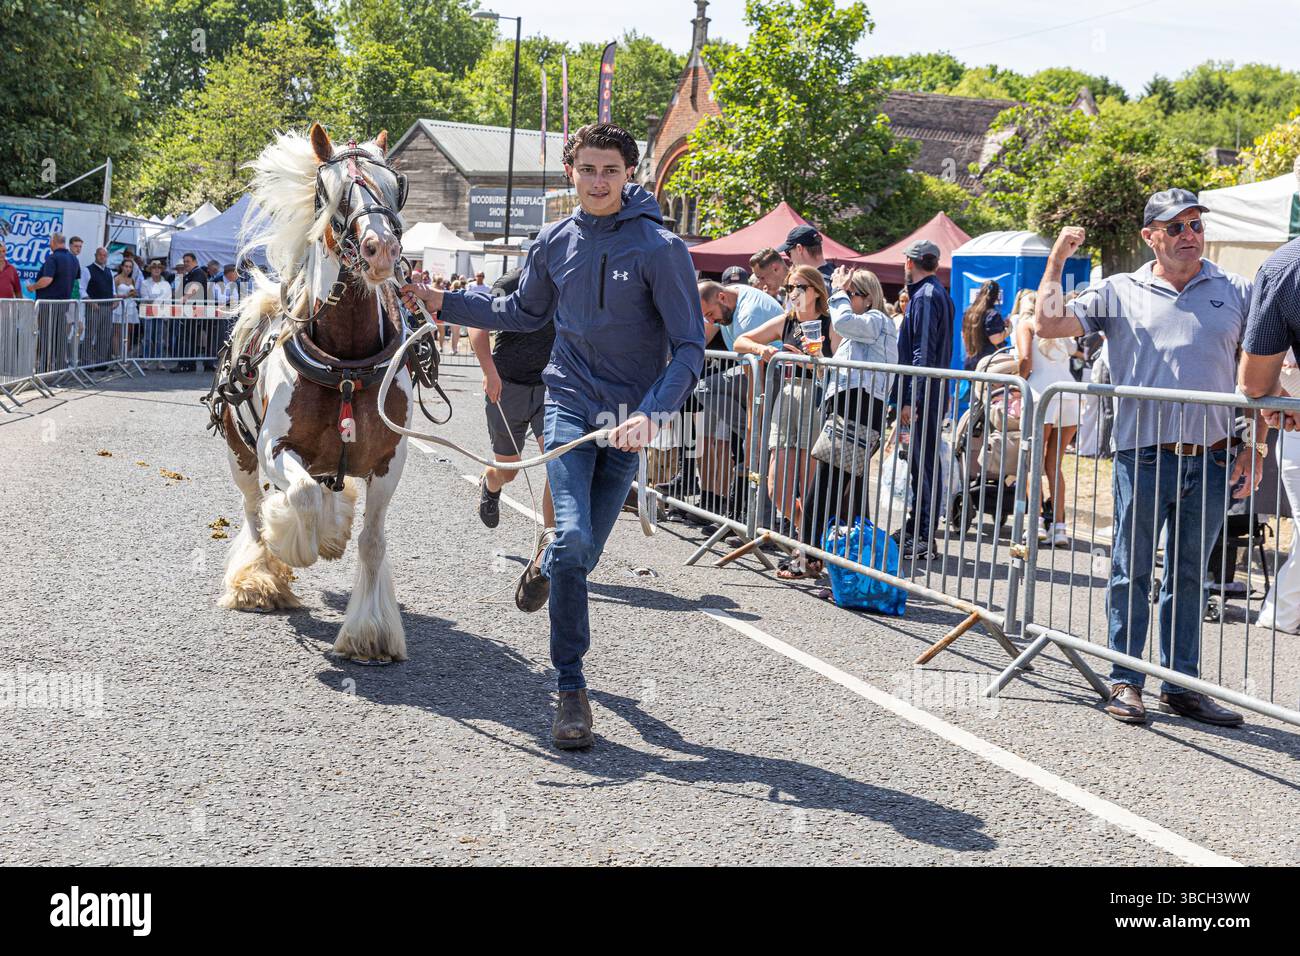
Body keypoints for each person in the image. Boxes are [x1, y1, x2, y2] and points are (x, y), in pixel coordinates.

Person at [400, 122, 704, 751]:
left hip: (627, 416)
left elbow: (689, 348)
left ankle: (545, 562)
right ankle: (571, 688)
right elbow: (521, 314)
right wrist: (443, 302)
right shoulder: (553, 240)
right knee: (572, 539)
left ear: (629, 175)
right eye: (588, 169)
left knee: (578, 557)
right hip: (568, 399)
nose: (599, 181)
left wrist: (651, 412)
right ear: (572, 172)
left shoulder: (660, 248)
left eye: (611, 171)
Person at [1035, 189, 1262, 728]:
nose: (1189, 234)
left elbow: (1257, 375)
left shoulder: (1235, 290)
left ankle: (1180, 685)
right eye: (1176, 226)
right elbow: (1048, 325)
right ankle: (1125, 680)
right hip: (1144, 454)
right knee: (1131, 569)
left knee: (1190, 576)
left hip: (1210, 456)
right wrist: (1057, 261)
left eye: (1195, 224)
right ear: (1150, 236)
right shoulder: (1119, 289)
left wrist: (1254, 445)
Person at [787, 266, 897, 580]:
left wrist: (835, 292)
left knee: (824, 488)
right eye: (845, 294)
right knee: (830, 490)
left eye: (852, 294)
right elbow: (839, 376)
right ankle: (814, 556)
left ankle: (807, 556)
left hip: (859, 413)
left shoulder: (876, 320)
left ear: (868, 296)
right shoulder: (861, 328)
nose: (845, 299)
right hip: (849, 411)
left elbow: (845, 322)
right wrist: (818, 360)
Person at [732, 264, 839, 565]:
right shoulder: (787, 320)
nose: (792, 293)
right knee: (776, 488)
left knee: (808, 487)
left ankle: (806, 550)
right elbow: (742, 341)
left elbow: (842, 365)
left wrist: (813, 362)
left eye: (799, 287)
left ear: (817, 291)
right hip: (787, 398)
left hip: (816, 399)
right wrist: (764, 351)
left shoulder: (830, 323)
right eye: (790, 287)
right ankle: (807, 541)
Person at [469, 266, 557, 531]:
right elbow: (477, 325)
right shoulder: (512, 283)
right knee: (509, 471)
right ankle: (491, 482)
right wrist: (489, 372)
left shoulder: (570, 281)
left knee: (558, 464)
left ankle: (548, 546)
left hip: (549, 389)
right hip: (507, 386)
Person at [695, 279, 785, 515]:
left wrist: (754, 422)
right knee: (705, 388)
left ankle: (761, 521)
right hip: (757, 371)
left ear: (722, 298)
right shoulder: (729, 301)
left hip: (773, 375)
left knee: (758, 444)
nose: (711, 320)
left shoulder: (747, 315)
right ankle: (748, 431)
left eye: (711, 314)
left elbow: (754, 375)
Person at [895, 238, 954, 560]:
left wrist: (912, 398)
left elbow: (924, 352)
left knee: (925, 462)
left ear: (910, 262)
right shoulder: (930, 293)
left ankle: (923, 534)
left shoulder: (928, 295)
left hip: (925, 393)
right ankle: (916, 527)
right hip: (929, 391)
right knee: (921, 462)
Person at [1014, 291, 1081, 548]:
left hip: (1041, 393)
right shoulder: (1059, 329)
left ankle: (1037, 523)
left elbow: (1024, 359)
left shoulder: (1026, 325)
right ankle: (1060, 527)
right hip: (1069, 393)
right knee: (1054, 464)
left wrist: (1017, 383)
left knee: (1034, 463)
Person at [961, 280, 1008, 371]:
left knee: (973, 385)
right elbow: (995, 339)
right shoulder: (993, 314)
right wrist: (1008, 330)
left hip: (971, 359)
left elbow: (964, 335)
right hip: (988, 362)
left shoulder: (969, 312)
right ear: (996, 295)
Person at [171, 251, 207, 372]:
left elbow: (195, 287)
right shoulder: (191, 273)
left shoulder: (198, 273)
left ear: (195, 262)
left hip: (193, 311)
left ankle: (184, 364)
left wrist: (185, 297)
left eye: (188, 261)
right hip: (189, 311)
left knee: (186, 338)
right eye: (184, 261)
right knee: (188, 338)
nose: (186, 263)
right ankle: (189, 364)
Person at [778, 225, 835, 290]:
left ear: (799, 248)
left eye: (788, 253)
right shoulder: (839, 276)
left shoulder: (811, 285)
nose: (790, 260)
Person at [139, 260, 172, 370]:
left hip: (161, 313)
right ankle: (145, 361)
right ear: (151, 270)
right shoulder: (145, 283)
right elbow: (145, 298)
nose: (157, 269)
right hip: (148, 313)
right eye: (154, 267)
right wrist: (158, 301)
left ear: (161, 270)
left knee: (159, 338)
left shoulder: (166, 284)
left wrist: (157, 303)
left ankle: (159, 361)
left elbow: (167, 299)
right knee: (147, 337)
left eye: (159, 267)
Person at [113, 258, 140, 359]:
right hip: (119, 306)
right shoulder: (117, 278)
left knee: (128, 332)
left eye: (130, 267)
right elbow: (113, 294)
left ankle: (125, 355)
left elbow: (133, 293)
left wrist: (134, 294)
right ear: (122, 267)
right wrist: (124, 296)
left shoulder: (131, 279)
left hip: (130, 306)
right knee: (117, 332)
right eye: (126, 266)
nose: (128, 269)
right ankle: (116, 355)